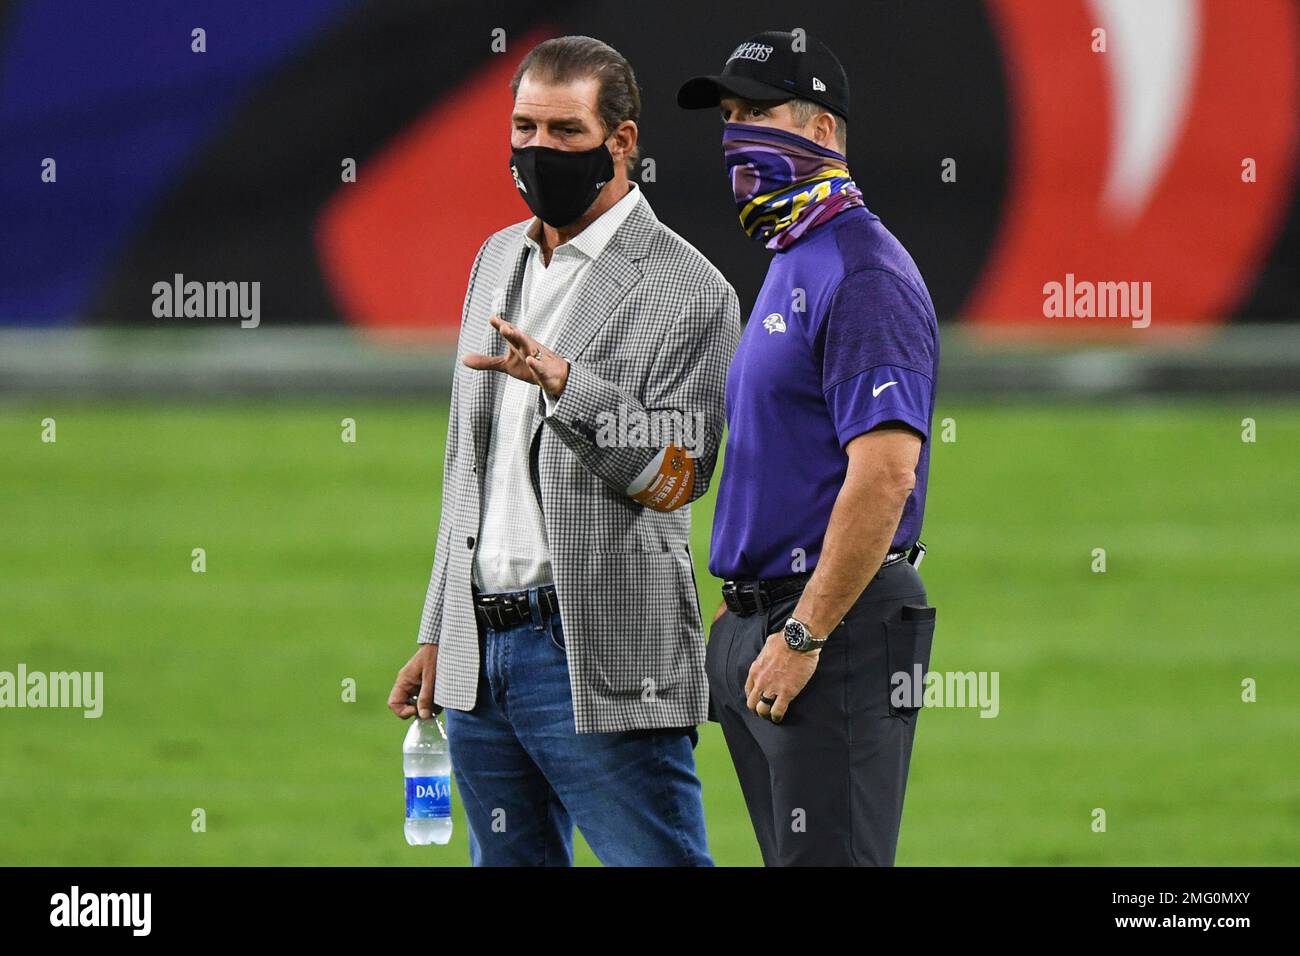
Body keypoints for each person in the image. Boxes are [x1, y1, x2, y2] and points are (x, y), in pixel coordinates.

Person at [389, 35, 740, 867]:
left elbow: (680, 479)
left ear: (621, 142)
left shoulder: (690, 289)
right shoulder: (495, 259)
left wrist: (569, 387)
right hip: (482, 654)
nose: (539, 150)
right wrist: (440, 628)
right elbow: (466, 469)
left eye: (566, 132)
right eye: (525, 129)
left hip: (600, 654)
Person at [677, 29, 940, 866]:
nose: (736, 135)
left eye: (758, 112)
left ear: (821, 130)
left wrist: (802, 632)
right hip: (766, 622)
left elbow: (888, 471)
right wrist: (745, 607)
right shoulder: (796, 255)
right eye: (728, 115)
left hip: (836, 632)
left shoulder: (861, 271)